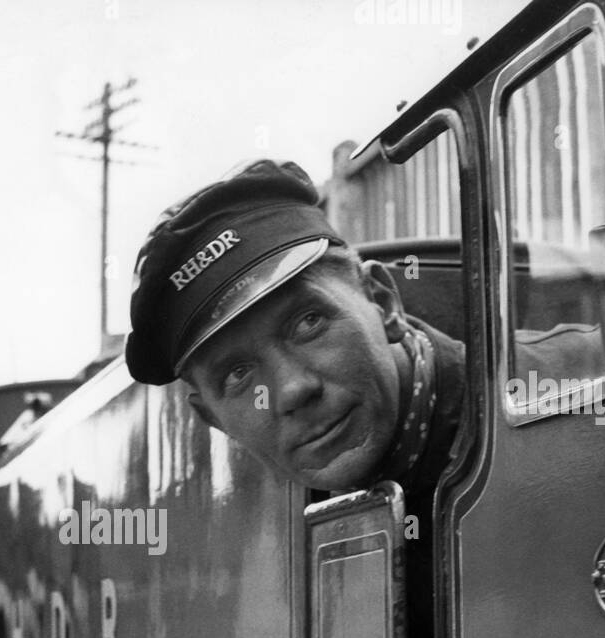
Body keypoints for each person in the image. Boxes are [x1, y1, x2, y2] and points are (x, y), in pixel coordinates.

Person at [124, 158, 462, 496]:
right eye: (237, 374)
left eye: (308, 323)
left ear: (383, 303)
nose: (292, 390)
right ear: (214, 420)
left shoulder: (511, 423)